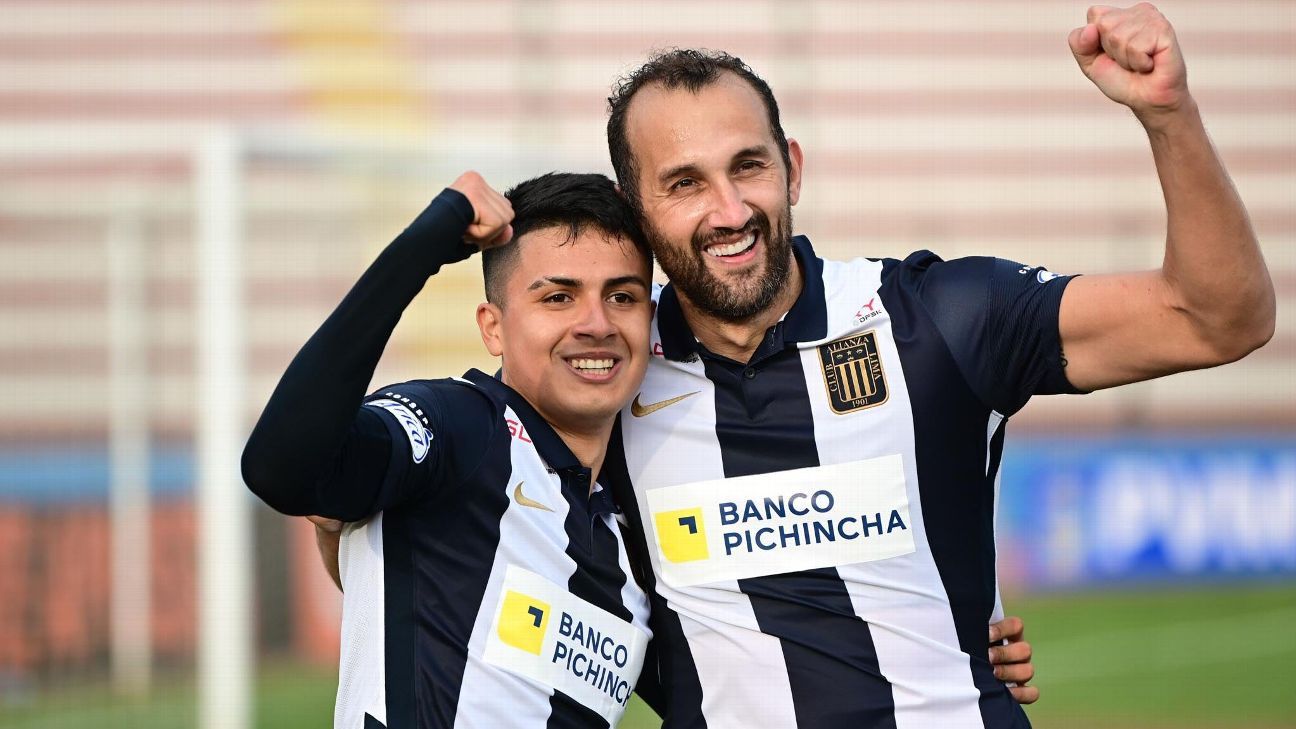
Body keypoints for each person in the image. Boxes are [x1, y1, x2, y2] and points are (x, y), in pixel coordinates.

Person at [600, 4, 1275, 728]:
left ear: (791, 169)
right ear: (634, 213)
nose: (730, 210)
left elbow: (1217, 319)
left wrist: (1169, 117)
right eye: (685, 184)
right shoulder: (604, 387)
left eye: (748, 165)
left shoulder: (937, 320)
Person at [242, 171, 659, 728]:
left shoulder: (631, 541)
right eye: (558, 297)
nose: (596, 324)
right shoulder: (461, 426)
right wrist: (427, 243)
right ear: (493, 327)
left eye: (622, 296)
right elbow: (282, 470)